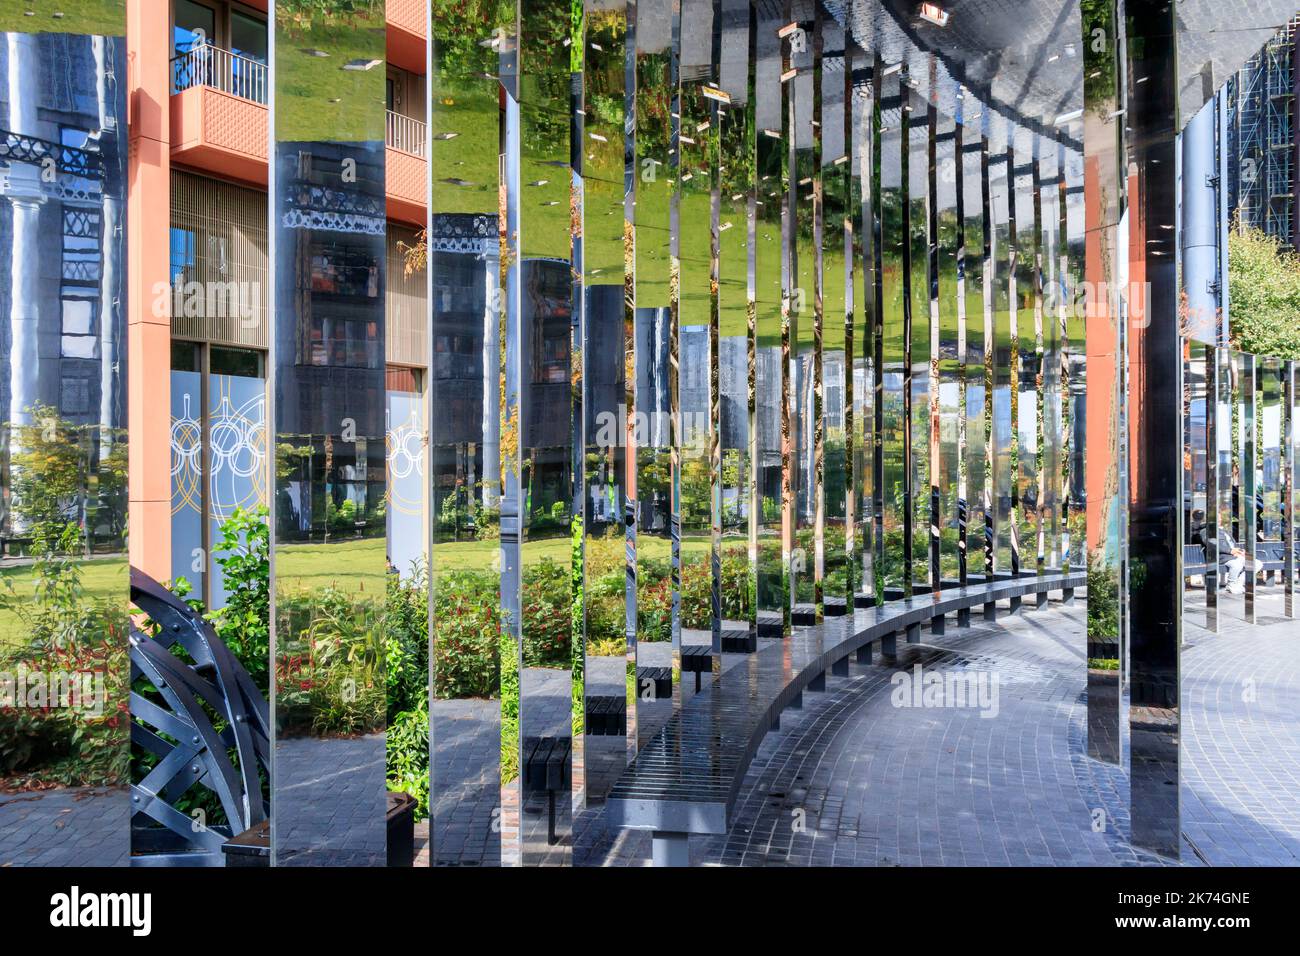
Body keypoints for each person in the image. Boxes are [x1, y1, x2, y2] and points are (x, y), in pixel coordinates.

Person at [1218, 527, 1247, 594]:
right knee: (1237, 564)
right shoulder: (1207, 531)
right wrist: (1231, 551)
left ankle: (1239, 583)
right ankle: (1231, 584)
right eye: (1218, 518)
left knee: (1257, 563)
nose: (1220, 519)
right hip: (1223, 557)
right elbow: (1213, 545)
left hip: (1234, 555)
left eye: (1220, 518)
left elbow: (1233, 545)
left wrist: (1240, 551)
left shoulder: (1226, 531)